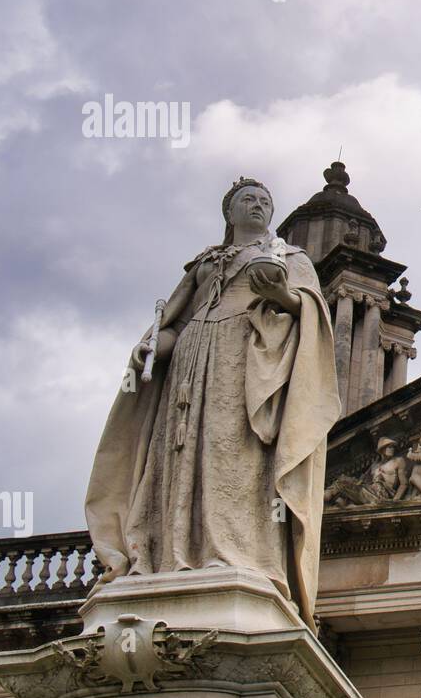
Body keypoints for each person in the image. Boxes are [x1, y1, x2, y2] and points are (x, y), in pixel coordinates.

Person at [85, 178, 339, 623]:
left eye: (264, 201)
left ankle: (237, 554)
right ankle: (170, 554)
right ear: (230, 213)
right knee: (177, 458)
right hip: (189, 367)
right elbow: (176, 323)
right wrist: (153, 346)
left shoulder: (288, 257)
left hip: (245, 366)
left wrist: (278, 294)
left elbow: (310, 311)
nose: (257, 205)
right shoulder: (203, 263)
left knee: (234, 455)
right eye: (248, 200)